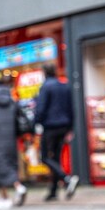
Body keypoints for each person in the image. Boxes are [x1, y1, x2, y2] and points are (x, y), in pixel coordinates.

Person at [34, 62, 80, 201]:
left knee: (45, 157)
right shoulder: (64, 86)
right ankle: (53, 191)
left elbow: (40, 109)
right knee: (55, 158)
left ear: (44, 73)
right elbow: (71, 108)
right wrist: (71, 127)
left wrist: (36, 123)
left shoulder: (46, 87)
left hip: (50, 127)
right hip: (64, 126)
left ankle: (66, 179)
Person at [0, 73, 27, 210]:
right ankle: (15, 190)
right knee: (10, 165)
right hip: (11, 139)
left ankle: (7, 196)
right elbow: (21, 118)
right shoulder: (12, 101)